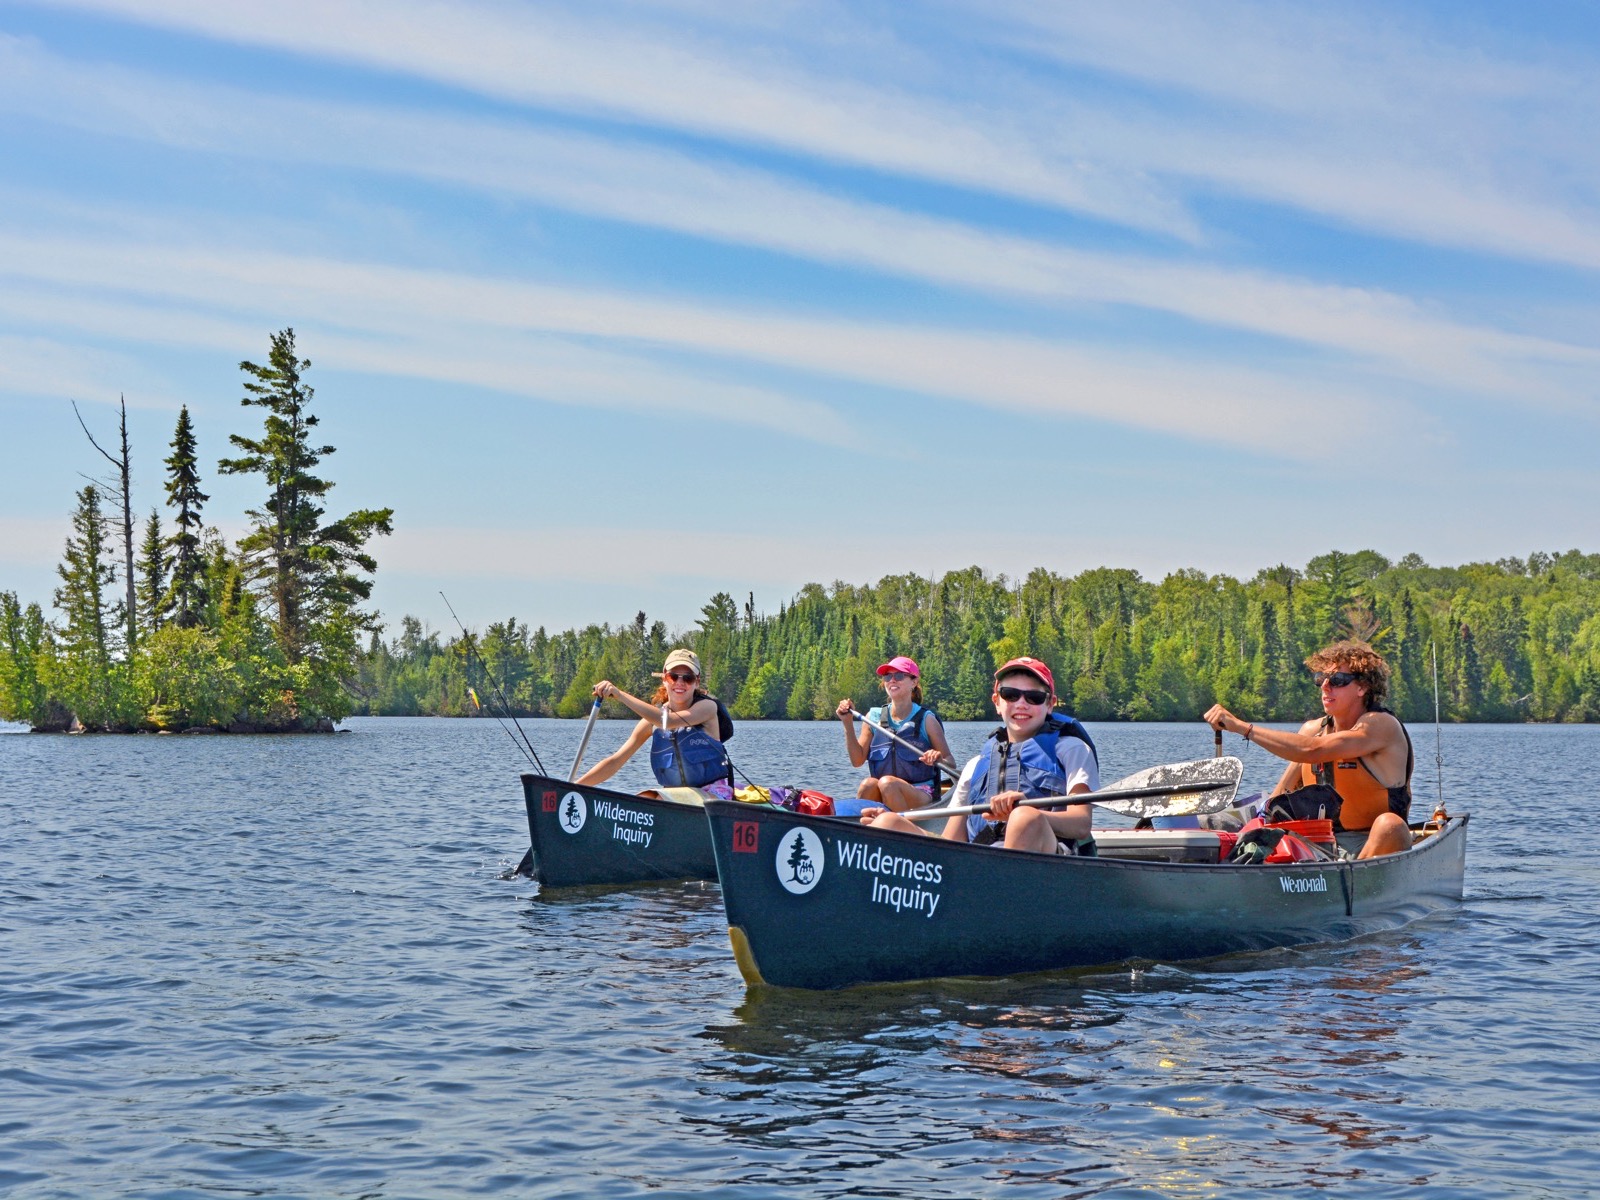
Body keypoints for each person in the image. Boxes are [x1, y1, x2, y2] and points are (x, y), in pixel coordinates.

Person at [1204, 639, 1413, 859]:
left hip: (1372, 844)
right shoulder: (1312, 730)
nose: (1325, 686)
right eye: (1321, 678)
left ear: (1362, 687)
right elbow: (1279, 797)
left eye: (1337, 680)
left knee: (1390, 825)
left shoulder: (1381, 726)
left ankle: (1347, 882)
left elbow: (1313, 750)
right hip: (1318, 843)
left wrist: (1243, 728)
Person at [866, 657, 1100, 854]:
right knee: (888, 823)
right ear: (997, 702)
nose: (1021, 704)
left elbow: (1081, 824)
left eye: (1034, 698)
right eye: (1010, 695)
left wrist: (1024, 811)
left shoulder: (1071, 749)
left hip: (1046, 860)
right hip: (983, 858)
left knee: (1023, 819)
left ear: (1050, 704)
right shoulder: (975, 765)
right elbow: (952, 841)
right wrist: (885, 824)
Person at [577, 648, 732, 789]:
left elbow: (667, 722)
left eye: (688, 678)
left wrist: (620, 695)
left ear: (697, 682)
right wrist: (571, 787)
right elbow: (615, 762)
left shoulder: (707, 708)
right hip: (674, 797)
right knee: (646, 797)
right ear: (664, 679)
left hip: (712, 793)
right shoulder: (650, 723)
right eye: (673, 677)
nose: (680, 682)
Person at [834, 656, 957, 811]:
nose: (892, 680)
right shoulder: (873, 718)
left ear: (914, 682)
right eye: (887, 676)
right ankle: (861, 829)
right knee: (869, 784)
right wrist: (847, 723)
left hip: (921, 791)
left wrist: (938, 758)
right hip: (884, 786)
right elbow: (857, 761)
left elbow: (951, 762)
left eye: (899, 676)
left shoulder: (927, 720)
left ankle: (899, 830)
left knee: (888, 783)